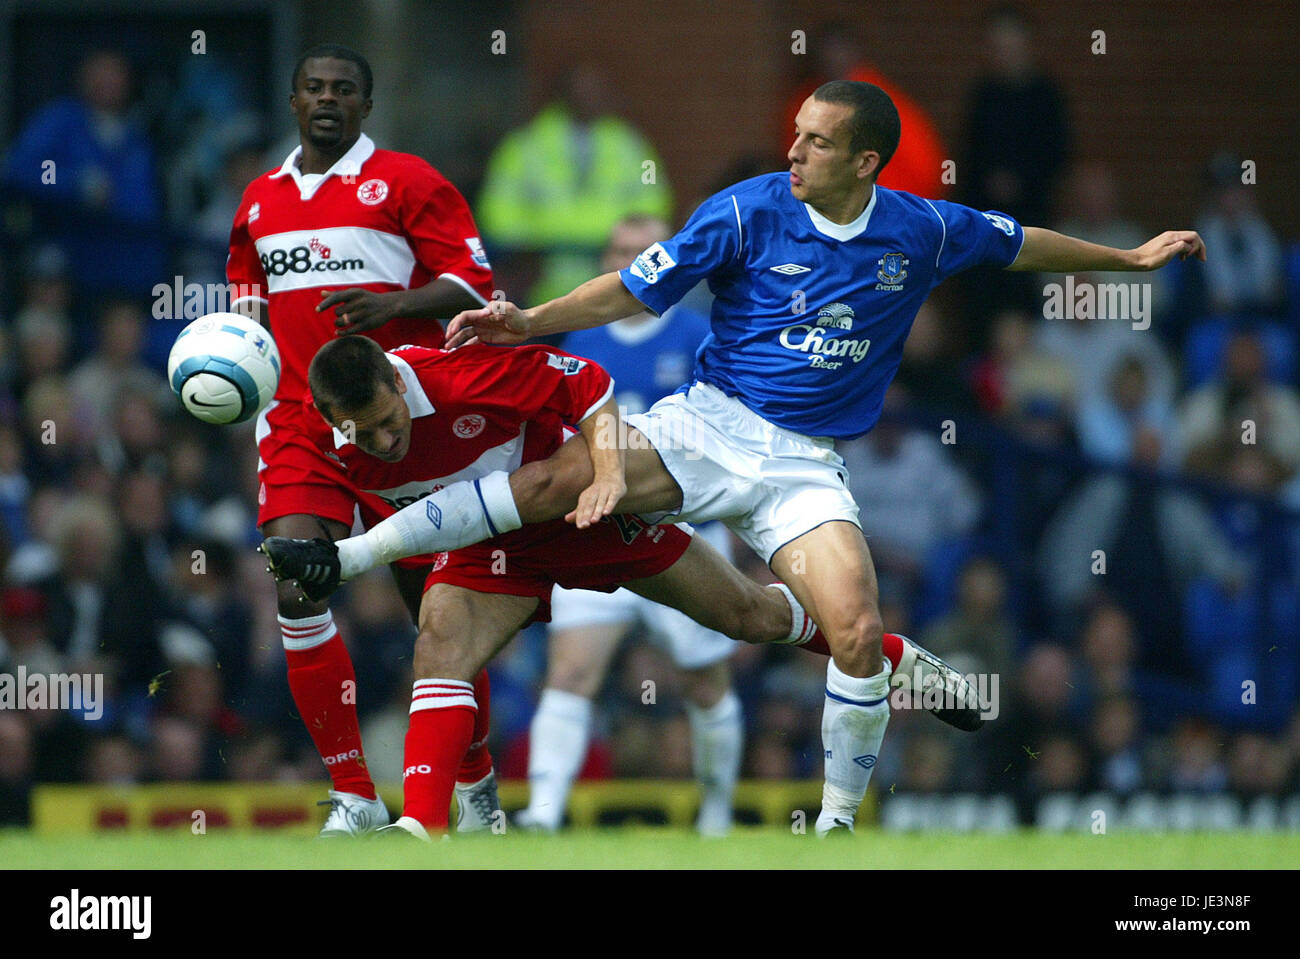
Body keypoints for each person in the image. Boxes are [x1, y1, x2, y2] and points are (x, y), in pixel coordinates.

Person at [265, 80, 1202, 836]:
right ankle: (368, 600)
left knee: (845, 624)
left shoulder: (921, 228)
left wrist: (1127, 261)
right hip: (707, 428)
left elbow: (1016, 243)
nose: (793, 152)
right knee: (556, 482)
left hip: (804, 464)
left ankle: (835, 824)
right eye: (795, 136)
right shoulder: (747, 212)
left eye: (816, 143)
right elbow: (631, 289)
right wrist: (530, 318)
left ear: (864, 162)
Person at [289, 335, 837, 839]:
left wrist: (610, 474)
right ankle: (421, 827)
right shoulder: (314, 433)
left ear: (397, 381)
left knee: (749, 616)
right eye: (363, 433)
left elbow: (588, 382)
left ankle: (867, 644)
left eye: (389, 420)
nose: (384, 442)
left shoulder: (462, 376)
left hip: (580, 515)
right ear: (330, 417)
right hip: (486, 545)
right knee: (439, 646)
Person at [226, 44, 497, 836]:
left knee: (438, 618)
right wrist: (226, 365)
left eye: (343, 89)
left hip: (395, 425)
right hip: (300, 422)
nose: (327, 99)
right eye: (314, 87)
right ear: (293, 100)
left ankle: (476, 782)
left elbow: (473, 285)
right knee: (295, 583)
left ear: (366, 105)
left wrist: (395, 305)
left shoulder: (408, 181)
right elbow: (246, 311)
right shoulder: (259, 201)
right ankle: (354, 791)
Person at [518, 214, 744, 836]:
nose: (629, 264)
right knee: (571, 671)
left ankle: (717, 814)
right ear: (605, 261)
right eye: (619, 251)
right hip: (594, 529)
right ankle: (542, 815)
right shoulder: (580, 339)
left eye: (642, 253)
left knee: (705, 681)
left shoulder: (702, 337)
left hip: (684, 533)